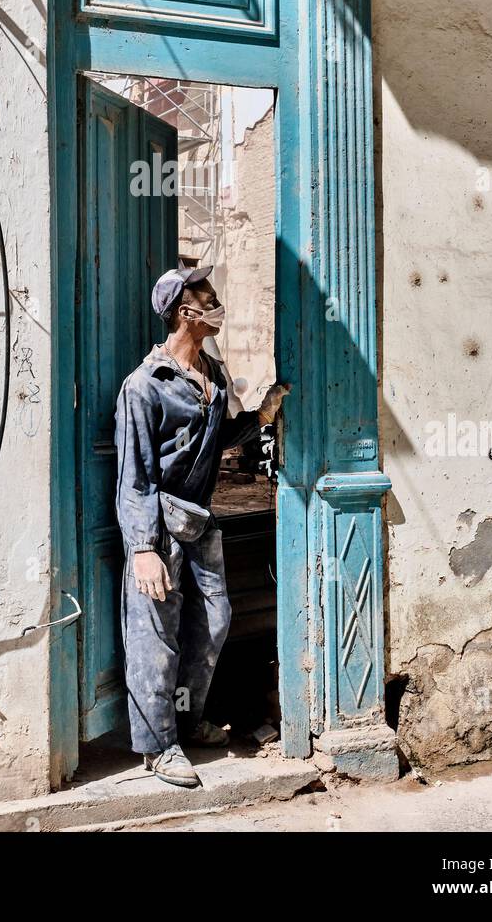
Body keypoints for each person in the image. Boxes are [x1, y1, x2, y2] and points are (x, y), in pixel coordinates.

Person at [113, 265, 289, 788]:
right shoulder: (144, 386)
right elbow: (134, 474)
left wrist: (258, 416)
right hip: (159, 525)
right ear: (182, 313)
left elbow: (215, 442)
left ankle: (188, 718)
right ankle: (159, 745)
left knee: (213, 620)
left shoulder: (210, 372)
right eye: (207, 299)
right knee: (156, 635)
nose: (216, 307)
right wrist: (142, 547)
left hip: (201, 520)